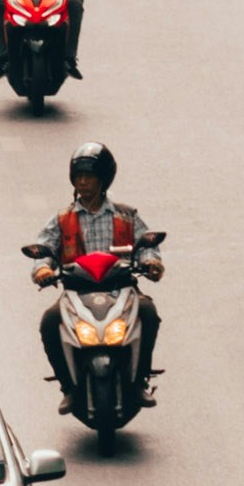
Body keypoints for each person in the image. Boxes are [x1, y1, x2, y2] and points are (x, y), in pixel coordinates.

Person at [32, 141, 160, 407]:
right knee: (49, 322)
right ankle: (68, 387)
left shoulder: (126, 215)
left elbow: (146, 245)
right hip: (77, 293)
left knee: (148, 313)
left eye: (89, 177)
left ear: (103, 179)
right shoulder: (63, 218)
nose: (83, 182)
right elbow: (45, 249)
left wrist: (151, 262)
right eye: (78, 177)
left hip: (121, 289)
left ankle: (139, 382)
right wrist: (43, 269)